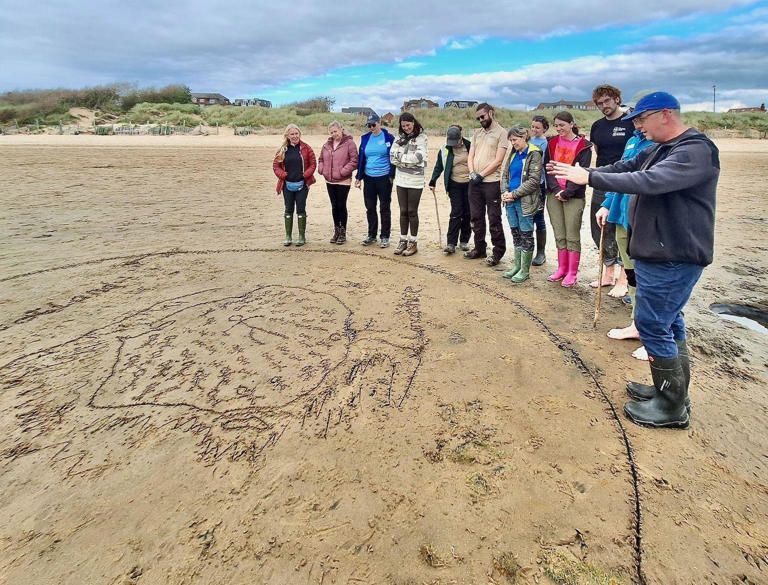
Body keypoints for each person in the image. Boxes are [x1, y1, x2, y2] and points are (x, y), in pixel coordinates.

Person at [551, 91, 719, 429]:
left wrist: (590, 178)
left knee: (654, 323)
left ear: (666, 115)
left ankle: (671, 407)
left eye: (641, 120)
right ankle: (670, 391)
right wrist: (585, 170)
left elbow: (650, 181)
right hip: (659, 251)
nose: (637, 127)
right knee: (669, 321)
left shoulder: (695, 150)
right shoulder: (656, 148)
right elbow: (626, 167)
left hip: (674, 254)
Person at [597, 127, 654, 361]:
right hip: (621, 215)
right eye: (636, 120)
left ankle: (653, 337)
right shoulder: (632, 141)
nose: (639, 125)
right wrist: (607, 203)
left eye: (642, 119)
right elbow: (621, 175)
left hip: (642, 219)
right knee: (632, 277)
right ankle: (636, 325)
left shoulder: (660, 146)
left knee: (648, 279)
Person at [589, 85, 635, 294]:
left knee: (622, 229)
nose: (604, 106)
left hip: (626, 183)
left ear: (617, 99)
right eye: (599, 103)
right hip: (602, 181)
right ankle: (608, 273)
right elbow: (598, 152)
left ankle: (624, 279)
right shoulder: (597, 126)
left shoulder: (630, 123)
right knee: (600, 228)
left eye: (607, 101)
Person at [543, 111, 593, 287]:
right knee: (559, 233)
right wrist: (556, 189)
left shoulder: (584, 146)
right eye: (556, 126)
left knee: (572, 234)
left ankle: (572, 272)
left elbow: (583, 171)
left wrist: (567, 192)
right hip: (554, 193)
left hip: (573, 195)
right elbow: (547, 167)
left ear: (571, 124)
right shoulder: (551, 143)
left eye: (562, 125)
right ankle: (562, 268)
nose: (559, 129)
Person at [499, 125, 543, 283]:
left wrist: (514, 194)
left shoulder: (534, 153)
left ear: (524, 137)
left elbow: (533, 181)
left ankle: (525, 270)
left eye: (515, 140)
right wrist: (504, 192)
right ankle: (517, 266)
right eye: (511, 140)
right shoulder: (513, 153)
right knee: (515, 233)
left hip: (524, 201)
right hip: (510, 200)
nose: (513, 143)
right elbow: (505, 175)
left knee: (526, 234)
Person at [466, 103, 508, 266]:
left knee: (494, 218)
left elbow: (498, 160)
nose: (480, 120)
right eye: (478, 118)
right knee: (475, 217)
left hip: (491, 182)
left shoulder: (501, 133)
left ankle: (498, 251)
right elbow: (471, 155)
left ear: (491, 113)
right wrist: (472, 173)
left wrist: (481, 175)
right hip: (474, 181)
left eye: (482, 116)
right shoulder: (477, 133)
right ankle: (479, 248)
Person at [428, 125, 472, 254]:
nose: (454, 145)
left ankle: (464, 241)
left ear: (460, 138)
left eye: (456, 142)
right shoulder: (445, 149)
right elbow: (438, 166)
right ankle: (451, 243)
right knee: (456, 213)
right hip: (454, 184)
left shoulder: (470, 145)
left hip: (470, 184)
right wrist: (433, 180)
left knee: (468, 213)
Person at [390, 113, 428, 256]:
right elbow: (392, 157)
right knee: (403, 211)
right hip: (401, 179)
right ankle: (403, 240)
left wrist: (401, 159)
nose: (406, 128)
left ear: (413, 122)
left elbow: (419, 157)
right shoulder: (398, 138)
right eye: (403, 125)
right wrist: (406, 161)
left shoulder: (422, 138)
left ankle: (413, 242)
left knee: (412, 211)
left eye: (408, 125)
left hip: (416, 180)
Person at [355, 114, 395, 248]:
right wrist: (358, 177)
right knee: (370, 207)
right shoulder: (365, 138)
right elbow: (361, 158)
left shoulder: (389, 138)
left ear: (379, 123)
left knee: (384, 207)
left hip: (384, 177)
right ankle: (371, 235)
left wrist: (392, 175)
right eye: (369, 125)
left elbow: (394, 157)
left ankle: (384, 236)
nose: (371, 127)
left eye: (373, 124)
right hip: (369, 177)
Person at [272, 123, 316, 246]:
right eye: (292, 134)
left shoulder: (306, 148)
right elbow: (276, 166)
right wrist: (283, 175)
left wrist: (305, 174)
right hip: (287, 185)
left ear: (299, 134)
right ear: (287, 135)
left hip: (302, 184)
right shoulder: (282, 150)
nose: (295, 136)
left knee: (301, 209)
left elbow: (313, 164)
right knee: (288, 209)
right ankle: (288, 236)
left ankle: (302, 236)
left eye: (296, 134)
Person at [318, 121, 359, 245]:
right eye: (331, 132)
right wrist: (322, 169)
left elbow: (354, 160)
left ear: (341, 130)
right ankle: (336, 230)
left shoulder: (349, 143)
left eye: (335, 131)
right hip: (329, 180)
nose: (334, 134)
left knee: (341, 205)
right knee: (334, 206)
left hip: (343, 180)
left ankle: (343, 232)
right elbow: (321, 159)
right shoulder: (327, 145)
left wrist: (342, 171)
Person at [529, 115, 550, 266]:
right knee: (527, 216)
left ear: (545, 129)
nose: (534, 130)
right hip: (526, 184)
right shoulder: (528, 141)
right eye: (533, 127)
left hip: (540, 184)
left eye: (538, 127)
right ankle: (527, 249)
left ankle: (541, 252)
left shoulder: (545, 144)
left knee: (539, 217)